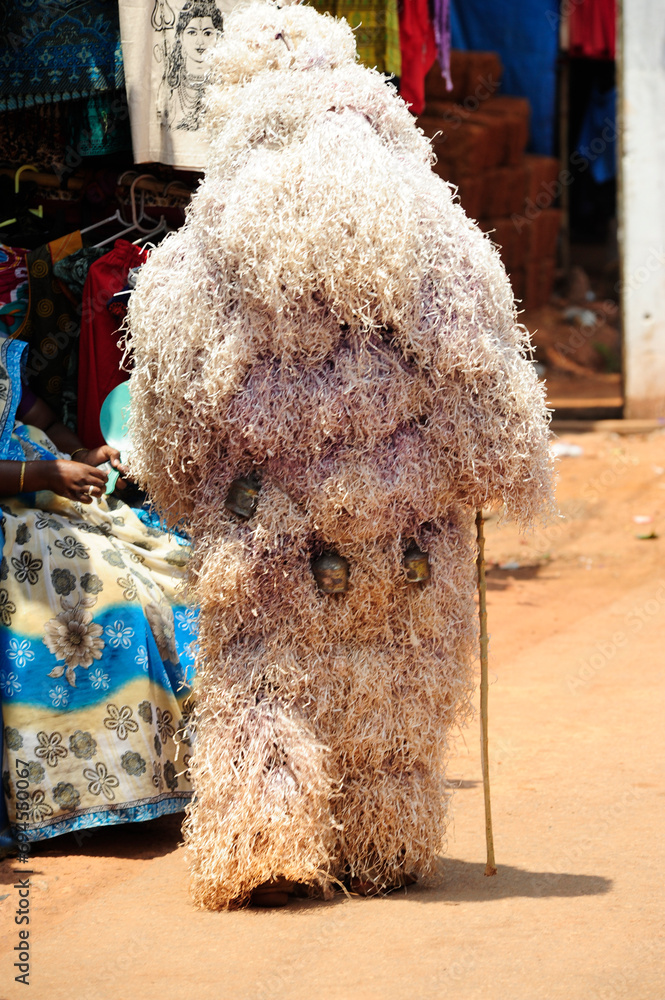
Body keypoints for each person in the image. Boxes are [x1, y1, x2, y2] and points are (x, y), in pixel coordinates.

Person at [0, 337, 197, 848]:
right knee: (114, 594)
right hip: (14, 515)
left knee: (178, 571)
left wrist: (79, 453)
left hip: (49, 495)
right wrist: (46, 473)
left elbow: (42, 414)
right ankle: (91, 789)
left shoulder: (2, 354)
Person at [161, 0, 224, 132]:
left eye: (207, 33)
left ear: (218, 36)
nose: (200, 42)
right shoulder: (171, 84)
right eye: (192, 32)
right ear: (180, 37)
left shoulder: (226, 79)